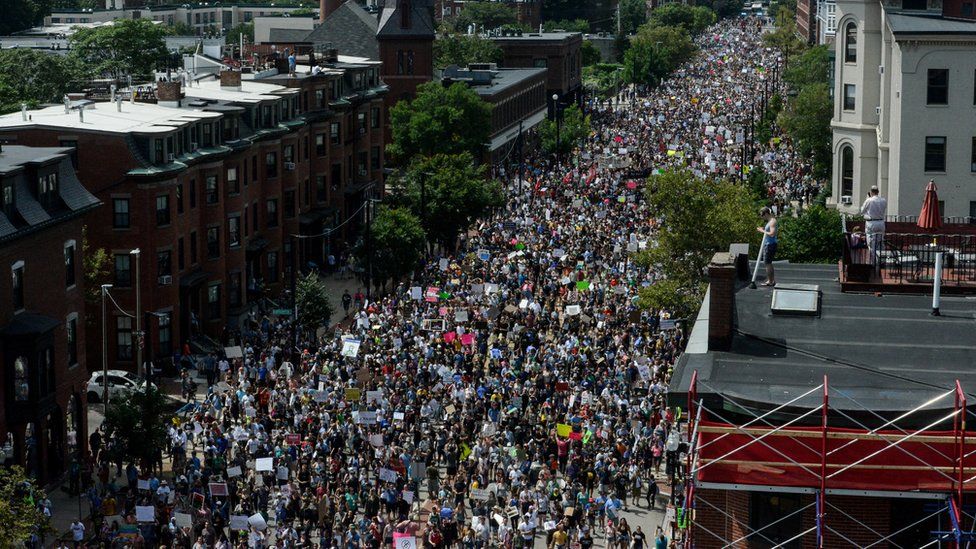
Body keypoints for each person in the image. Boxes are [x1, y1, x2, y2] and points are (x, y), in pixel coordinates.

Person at [860, 185, 887, 266]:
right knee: (880, 243)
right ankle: (882, 261)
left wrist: (867, 199)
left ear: (871, 192)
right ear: (878, 192)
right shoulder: (883, 200)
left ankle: (874, 263)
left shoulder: (869, 200)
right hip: (881, 223)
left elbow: (862, 211)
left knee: (872, 245)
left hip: (872, 223)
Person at [757, 207, 778, 287]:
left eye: (762, 215)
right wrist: (764, 229)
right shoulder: (770, 221)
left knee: (767, 263)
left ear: (766, 214)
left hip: (770, 245)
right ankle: (771, 280)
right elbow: (769, 231)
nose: (762, 217)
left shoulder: (772, 221)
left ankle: (771, 281)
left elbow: (772, 234)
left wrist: (762, 231)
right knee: (768, 263)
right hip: (769, 244)